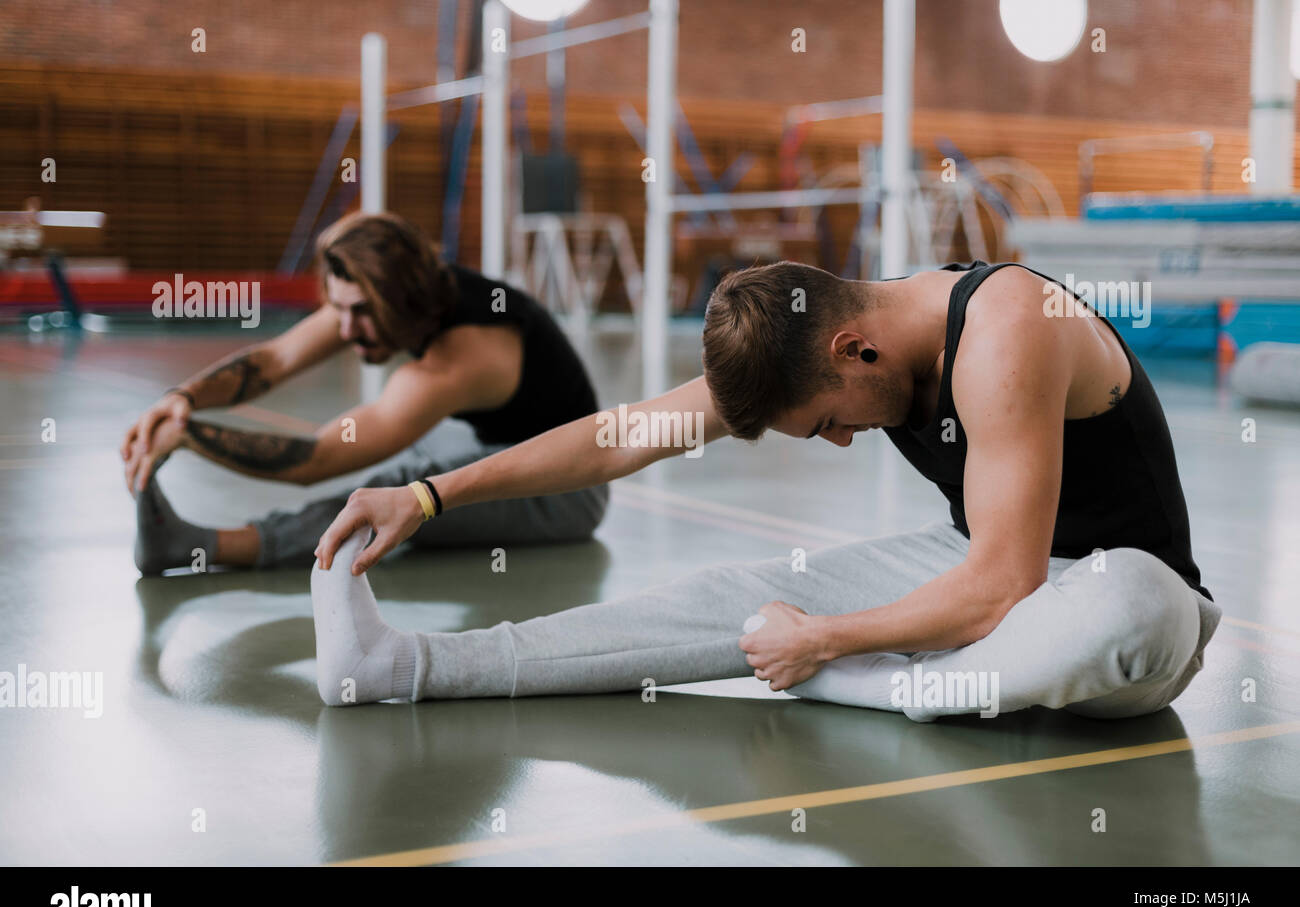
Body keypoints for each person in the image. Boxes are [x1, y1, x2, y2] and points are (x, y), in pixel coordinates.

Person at [309, 259, 1222, 721]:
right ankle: (405, 667)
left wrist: (822, 640)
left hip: (1113, 608)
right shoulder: (818, 338)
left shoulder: (1007, 327)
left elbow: (1003, 587)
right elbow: (620, 438)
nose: (835, 440)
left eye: (825, 418)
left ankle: (870, 683)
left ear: (852, 350)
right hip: (982, 566)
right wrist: (429, 495)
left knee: (1131, 607)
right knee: (736, 599)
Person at [123, 211, 607, 574]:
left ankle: (197, 546)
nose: (344, 328)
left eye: (358, 314)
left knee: (402, 485)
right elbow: (276, 359)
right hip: (497, 442)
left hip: (564, 489)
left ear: (396, 304)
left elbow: (317, 460)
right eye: (338, 309)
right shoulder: (402, 293)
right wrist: (183, 399)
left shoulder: (456, 362)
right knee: (414, 446)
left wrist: (191, 437)